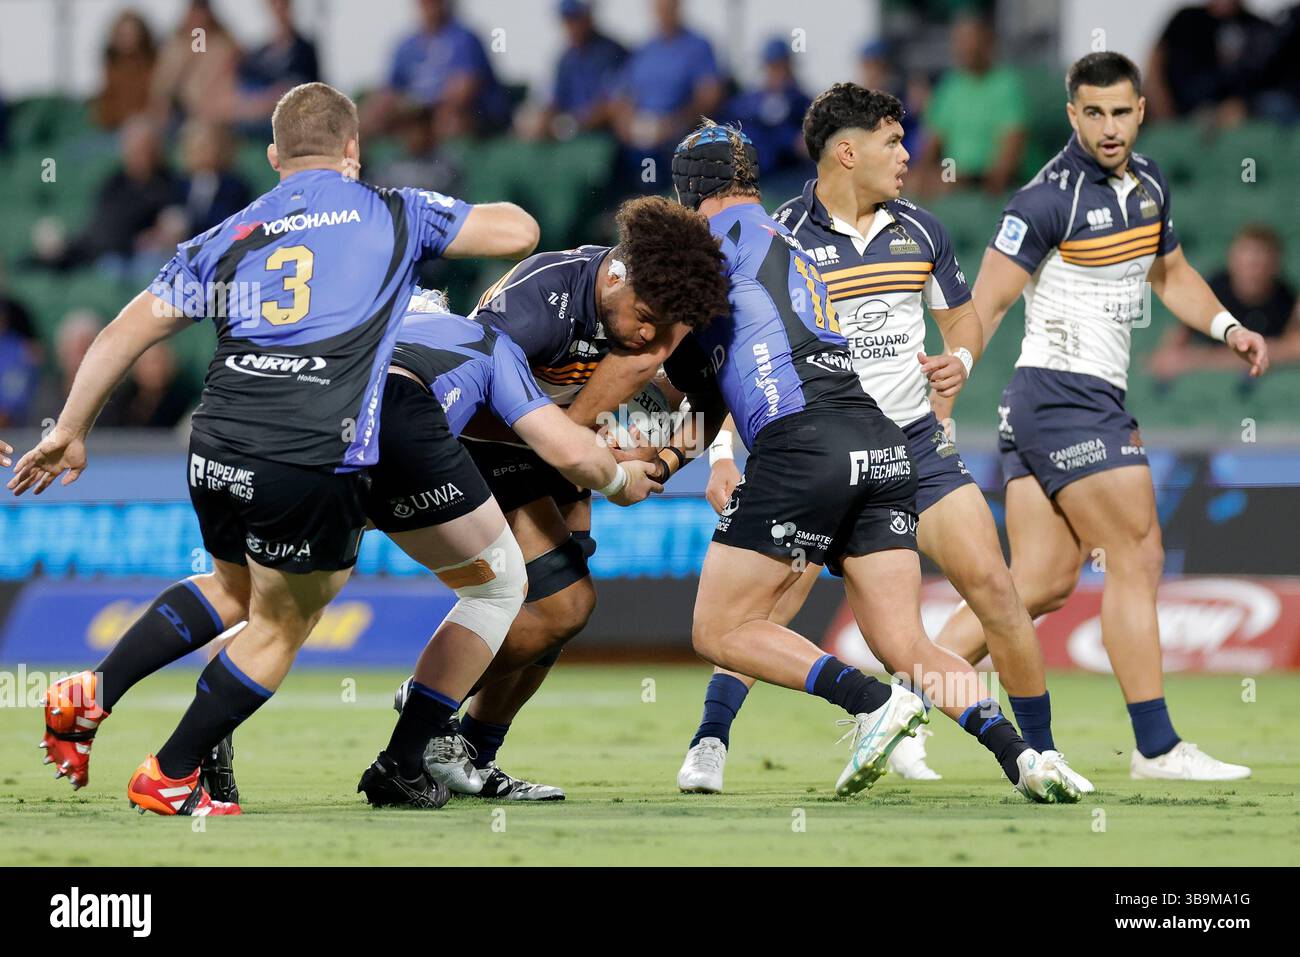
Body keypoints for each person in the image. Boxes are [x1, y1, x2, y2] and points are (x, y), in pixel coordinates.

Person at [13, 81, 541, 816]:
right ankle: (169, 770)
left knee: (232, 587)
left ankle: (92, 692)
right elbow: (519, 232)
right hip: (307, 454)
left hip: (215, 444)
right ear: (352, 150)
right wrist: (409, 207)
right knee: (284, 621)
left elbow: (120, 334)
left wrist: (69, 430)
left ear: (273, 157)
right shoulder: (393, 212)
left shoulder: (230, 231)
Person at [676, 84, 1093, 795]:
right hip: (832, 439)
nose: (910, 154)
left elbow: (963, 321)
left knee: (996, 589)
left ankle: (1041, 751)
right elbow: (747, 353)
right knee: (783, 608)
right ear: (848, 151)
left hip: (905, 444)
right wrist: (723, 451)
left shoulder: (921, 230)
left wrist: (956, 363)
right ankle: (712, 739)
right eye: (894, 141)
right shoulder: (784, 232)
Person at [932, 52, 1267, 781]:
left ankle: (902, 700)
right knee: (1138, 551)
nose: (1109, 127)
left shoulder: (1149, 183)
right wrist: (953, 373)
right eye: (1094, 112)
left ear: (1142, 110)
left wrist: (1226, 327)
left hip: (1065, 401)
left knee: (1039, 583)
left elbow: (1170, 273)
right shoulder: (1043, 200)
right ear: (1072, 112)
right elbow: (986, 301)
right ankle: (1156, 745)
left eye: (1121, 111)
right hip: (1063, 395)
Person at [401, 197, 732, 800]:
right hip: (486, 438)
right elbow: (472, 401)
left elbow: (709, 404)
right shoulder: (539, 300)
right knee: (565, 602)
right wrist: (576, 442)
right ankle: (430, 697)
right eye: (648, 319)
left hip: (561, 445)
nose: (656, 335)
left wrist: (660, 457)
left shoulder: (666, 308)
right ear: (618, 276)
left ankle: (466, 752)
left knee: (559, 611)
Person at [1149, 223, 1300, 380]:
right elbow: (1166, 358)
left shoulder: (1285, 299)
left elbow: (1291, 349)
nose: (1253, 272)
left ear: (1275, 266)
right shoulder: (1212, 290)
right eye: (1248, 262)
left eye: (1260, 264)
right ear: (1232, 260)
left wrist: (1196, 359)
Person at [363, 0, 510, 139]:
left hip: (460, 116)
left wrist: (418, 106)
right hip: (416, 114)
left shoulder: (464, 38)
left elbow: (464, 90)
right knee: (369, 117)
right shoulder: (406, 44)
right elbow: (389, 90)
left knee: (448, 118)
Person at [917, 12, 1026, 195]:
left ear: (987, 44)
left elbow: (1013, 141)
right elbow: (935, 139)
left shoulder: (1005, 85)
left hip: (983, 177)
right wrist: (922, 173)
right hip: (952, 173)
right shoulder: (950, 85)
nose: (966, 48)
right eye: (960, 41)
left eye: (972, 41)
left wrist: (994, 182)